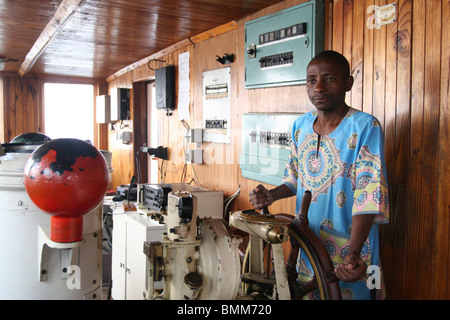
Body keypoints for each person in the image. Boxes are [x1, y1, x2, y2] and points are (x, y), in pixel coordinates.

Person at [249, 50, 389, 300]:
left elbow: (368, 196)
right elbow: (294, 178)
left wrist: (354, 253)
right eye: (311, 80)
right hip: (307, 243)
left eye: (329, 79)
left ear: (348, 83)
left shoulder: (366, 126)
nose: (319, 87)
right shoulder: (300, 126)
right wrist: (271, 195)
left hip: (350, 250)